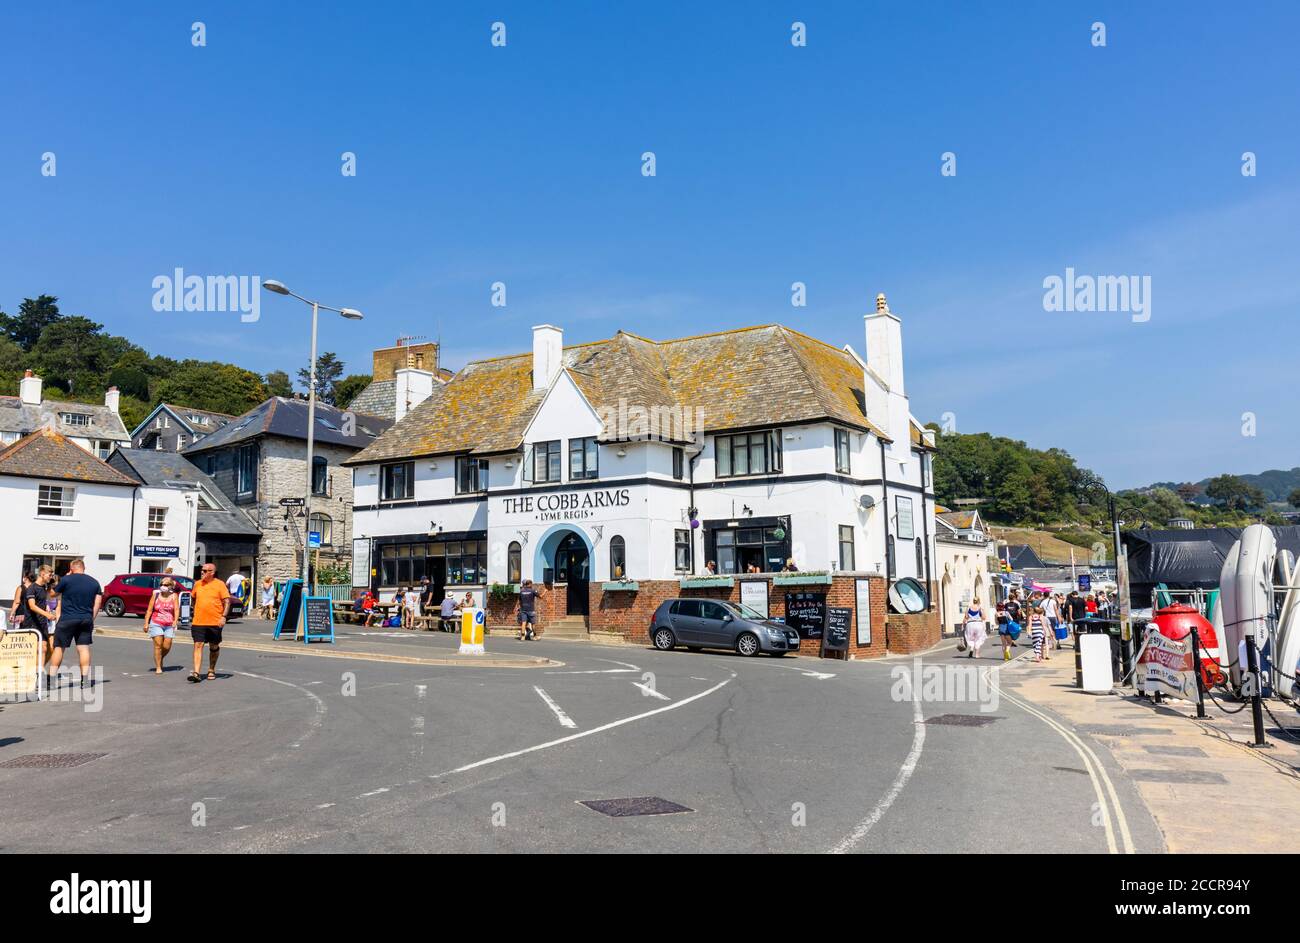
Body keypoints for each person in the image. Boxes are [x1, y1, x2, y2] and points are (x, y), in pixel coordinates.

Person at [48, 559, 102, 690]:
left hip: (67, 618)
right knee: (83, 648)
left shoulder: (67, 580)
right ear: (84, 567)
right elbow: (97, 603)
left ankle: (51, 680)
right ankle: (84, 681)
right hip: (85, 619)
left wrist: (64, 579)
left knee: (59, 648)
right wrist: (91, 618)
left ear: (71, 569)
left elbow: (52, 594)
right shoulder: (94, 582)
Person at [189, 562, 230, 683]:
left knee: (214, 646)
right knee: (198, 645)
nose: (202, 572)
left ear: (212, 572)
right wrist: (194, 610)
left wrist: (223, 617)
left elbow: (227, 601)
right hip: (198, 621)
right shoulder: (197, 584)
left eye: (205, 570)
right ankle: (196, 672)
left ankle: (211, 669)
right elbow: (193, 598)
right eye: (202, 570)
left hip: (215, 621)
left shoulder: (220, 584)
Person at [23, 566, 56, 683]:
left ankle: (39, 674)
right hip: (31, 623)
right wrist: (47, 615)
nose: (51, 577)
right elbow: (32, 606)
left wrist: (47, 609)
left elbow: (51, 596)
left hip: (42, 623)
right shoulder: (32, 588)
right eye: (49, 574)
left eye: (52, 575)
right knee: (33, 651)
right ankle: (29, 674)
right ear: (42, 573)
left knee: (44, 648)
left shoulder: (45, 587)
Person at [143, 576, 179, 674]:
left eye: (166, 585)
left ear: (171, 586)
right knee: (158, 645)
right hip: (156, 623)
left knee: (167, 646)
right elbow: (149, 610)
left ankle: (159, 657)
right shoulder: (156, 595)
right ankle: (158, 667)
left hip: (169, 624)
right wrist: (146, 623)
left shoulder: (174, 596)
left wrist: (175, 620)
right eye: (162, 584)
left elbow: (176, 609)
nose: (163, 586)